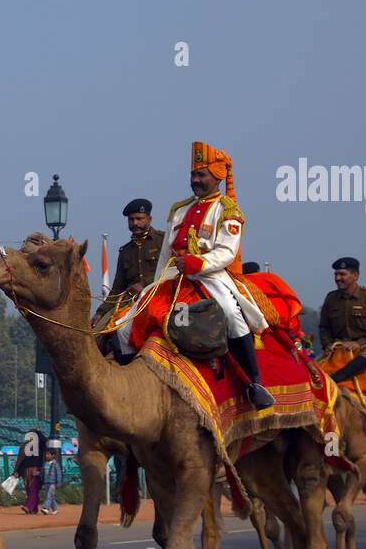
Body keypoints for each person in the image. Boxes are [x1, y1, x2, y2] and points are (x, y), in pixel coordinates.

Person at [116, 141, 274, 409]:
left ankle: (254, 383)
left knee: (231, 313)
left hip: (210, 277)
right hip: (174, 278)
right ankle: (130, 385)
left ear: (217, 177)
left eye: (201, 175)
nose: (195, 181)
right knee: (126, 325)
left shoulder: (228, 210)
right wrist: (153, 288)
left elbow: (226, 253)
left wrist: (195, 263)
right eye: (193, 175)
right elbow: (166, 255)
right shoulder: (180, 210)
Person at [318, 257, 366, 382]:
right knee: (310, 367)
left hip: (363, 345)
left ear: (355, 276)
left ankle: (336, 378)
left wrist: (359, 343)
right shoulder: (331, 298)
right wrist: (327, 344)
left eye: (342, 274)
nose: (337, 278)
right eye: (336, 274)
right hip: (338, 347)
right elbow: (324, 327)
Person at [94, 198, 164, 322]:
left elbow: (172, 269)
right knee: (100, 332)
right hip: (131, 304)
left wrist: (144, 284)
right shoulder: (125, 251)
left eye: (139, 218)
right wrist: (100, 313)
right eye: (131, 219)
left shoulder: (162, 241)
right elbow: (117, 288)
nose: (135, 223)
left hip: (160, 298)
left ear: (149, 219)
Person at [13, 427, 46, 514]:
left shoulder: (40, 445)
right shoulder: (24, 446)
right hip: (25, 471)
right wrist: (17, 471)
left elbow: (45, 440)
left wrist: (39, 432)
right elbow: (21, 460)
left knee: (33, 489)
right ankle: (33, 509)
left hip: (37, 470)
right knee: (29, 490)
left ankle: (28, 506)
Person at [41, 443, 63, 515]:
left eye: (48, 454)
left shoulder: (55, 464)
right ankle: (55, 509)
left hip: (52, 483)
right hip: (46, 482)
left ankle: (46, 508)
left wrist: (59, 483)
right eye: (46, 454)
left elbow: (59, 474)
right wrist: (38, 474)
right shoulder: (45, 463)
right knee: (51, 496)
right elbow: (42, 472)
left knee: (49, 495)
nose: (46, 455)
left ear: (53, 455)